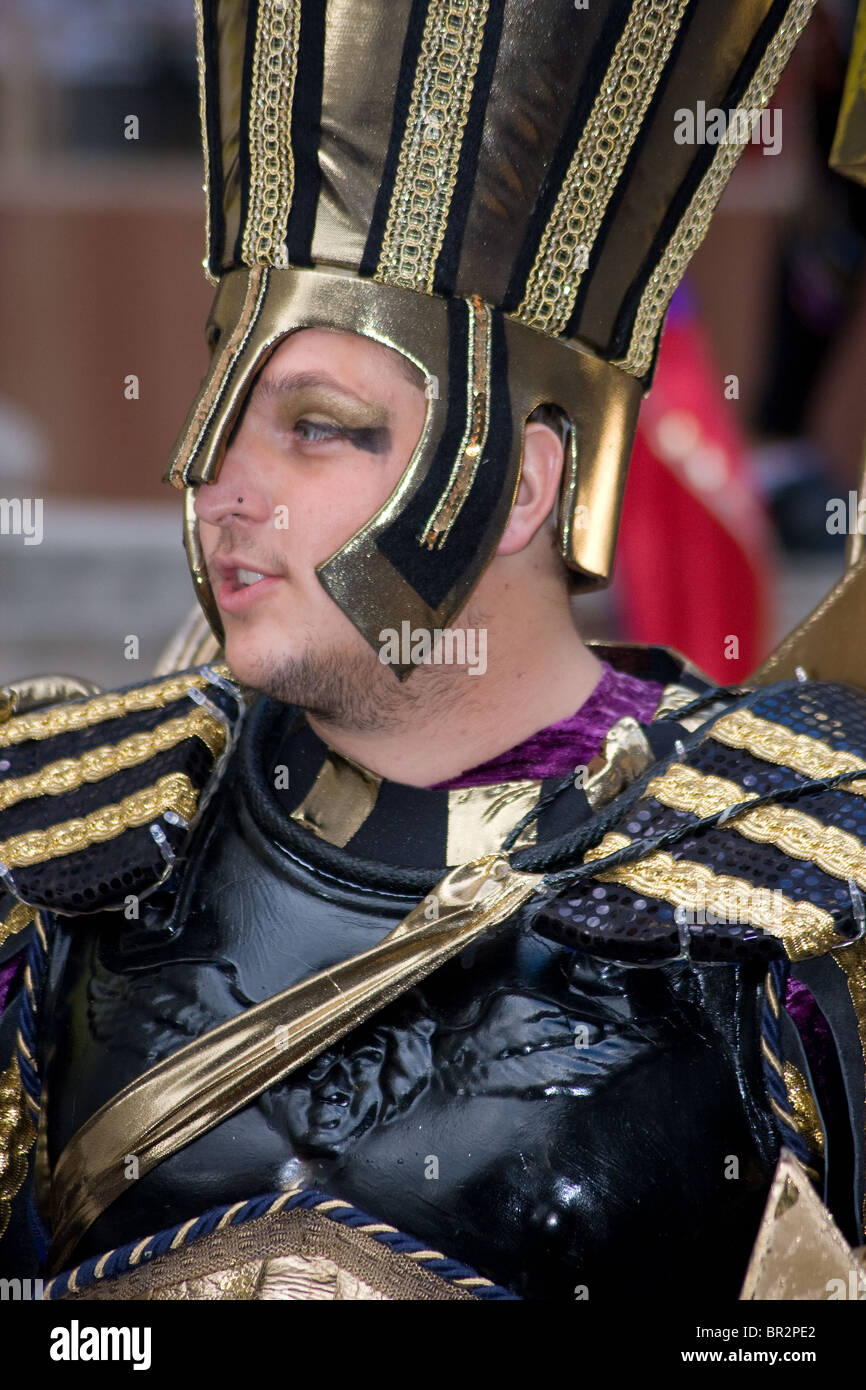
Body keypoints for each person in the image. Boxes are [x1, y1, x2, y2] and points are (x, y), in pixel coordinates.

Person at [2, 0, 863, 1303]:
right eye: (219, 398)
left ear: (518, 486)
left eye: (320, 427)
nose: (213, 479)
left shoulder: (791, 887)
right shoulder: (67, 850)